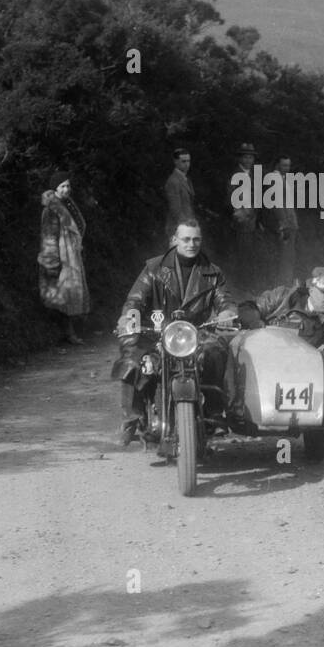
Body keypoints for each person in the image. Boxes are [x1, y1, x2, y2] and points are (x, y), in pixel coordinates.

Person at [111, 217, 238, 446]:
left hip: (196, 334)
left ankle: (214, 412)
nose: (192, 244)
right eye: (186, 239)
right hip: (157, 333)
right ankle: (131, 418)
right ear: (174, 240)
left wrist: (227, 313)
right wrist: (128, 316)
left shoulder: (212, 272)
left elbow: (224, 300)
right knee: (134, 358)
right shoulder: (154, 269)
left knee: (217, 351)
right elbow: (135, 299)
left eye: (196, 239)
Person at [228, 266, 324, 420]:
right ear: (311, 290)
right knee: (230, 348)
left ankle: (318, 425)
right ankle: (231, 407)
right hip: (262, 362)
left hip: (295, 374)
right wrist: (256, 322)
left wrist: (315, 358)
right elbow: (247, 308)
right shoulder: (283, 297)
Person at [38, 170, 89, 345]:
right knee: (61, 297)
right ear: (55, 189)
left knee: (68, 296)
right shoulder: (52, 210)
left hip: (71, 255)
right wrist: (52, 262)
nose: (66, 189)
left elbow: (78, 226)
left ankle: (69, 333)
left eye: (68, 185)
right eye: (62, 186)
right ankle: (65, 334)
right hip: (60, 257)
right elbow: (49, 237)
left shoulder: (67, 204)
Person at [228, 142, 261, 288]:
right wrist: (243, 217)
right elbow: (232, 200)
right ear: (239, 159)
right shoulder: (235, 176)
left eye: (251, 158)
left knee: (251, 256)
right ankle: (242, 288)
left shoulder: (253, 175)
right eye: (245, 157)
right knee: (242, 257)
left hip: (253, 222)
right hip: (241, 223)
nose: (248, 160)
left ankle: (249, 286)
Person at [263, 154, 298, 286]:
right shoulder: (274, 179)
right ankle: (283, 287)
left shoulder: (284, 179)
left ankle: (284, 285)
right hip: (283, 225)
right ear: (277, 165)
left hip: (290, 222)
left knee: (288, 257)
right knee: (284, 258)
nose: (287, 168)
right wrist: (284, 225)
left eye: (288, 165)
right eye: (284, 165)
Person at [163, 148, 195, 237]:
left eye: (188, 161)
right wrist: (186, 225)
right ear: (175, 162)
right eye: (183, 161)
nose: (187, 164)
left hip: (188, 226)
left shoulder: (186, 179)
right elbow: (175, 209)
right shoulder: (173, 181)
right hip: (178, 227)